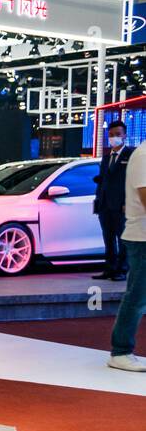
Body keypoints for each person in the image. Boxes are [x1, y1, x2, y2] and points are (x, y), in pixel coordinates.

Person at [109, 145, 146, 371]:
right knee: (138, 295)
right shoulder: (143, 155)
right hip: (141, 238)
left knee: (139, 294)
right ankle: (120, 350)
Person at [93, 119, 133, 281]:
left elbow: (132, 181)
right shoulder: (106, 156)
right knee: (108, 238)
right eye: (111, 135)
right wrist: (98, 202)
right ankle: (109, 268)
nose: (114, 137)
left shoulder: (131, 155)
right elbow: (103, 180)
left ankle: (122, 270)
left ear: (124, 135)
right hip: (105, 205)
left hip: (122, 205)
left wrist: (127, 203)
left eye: (117, 134)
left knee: (122, 239)